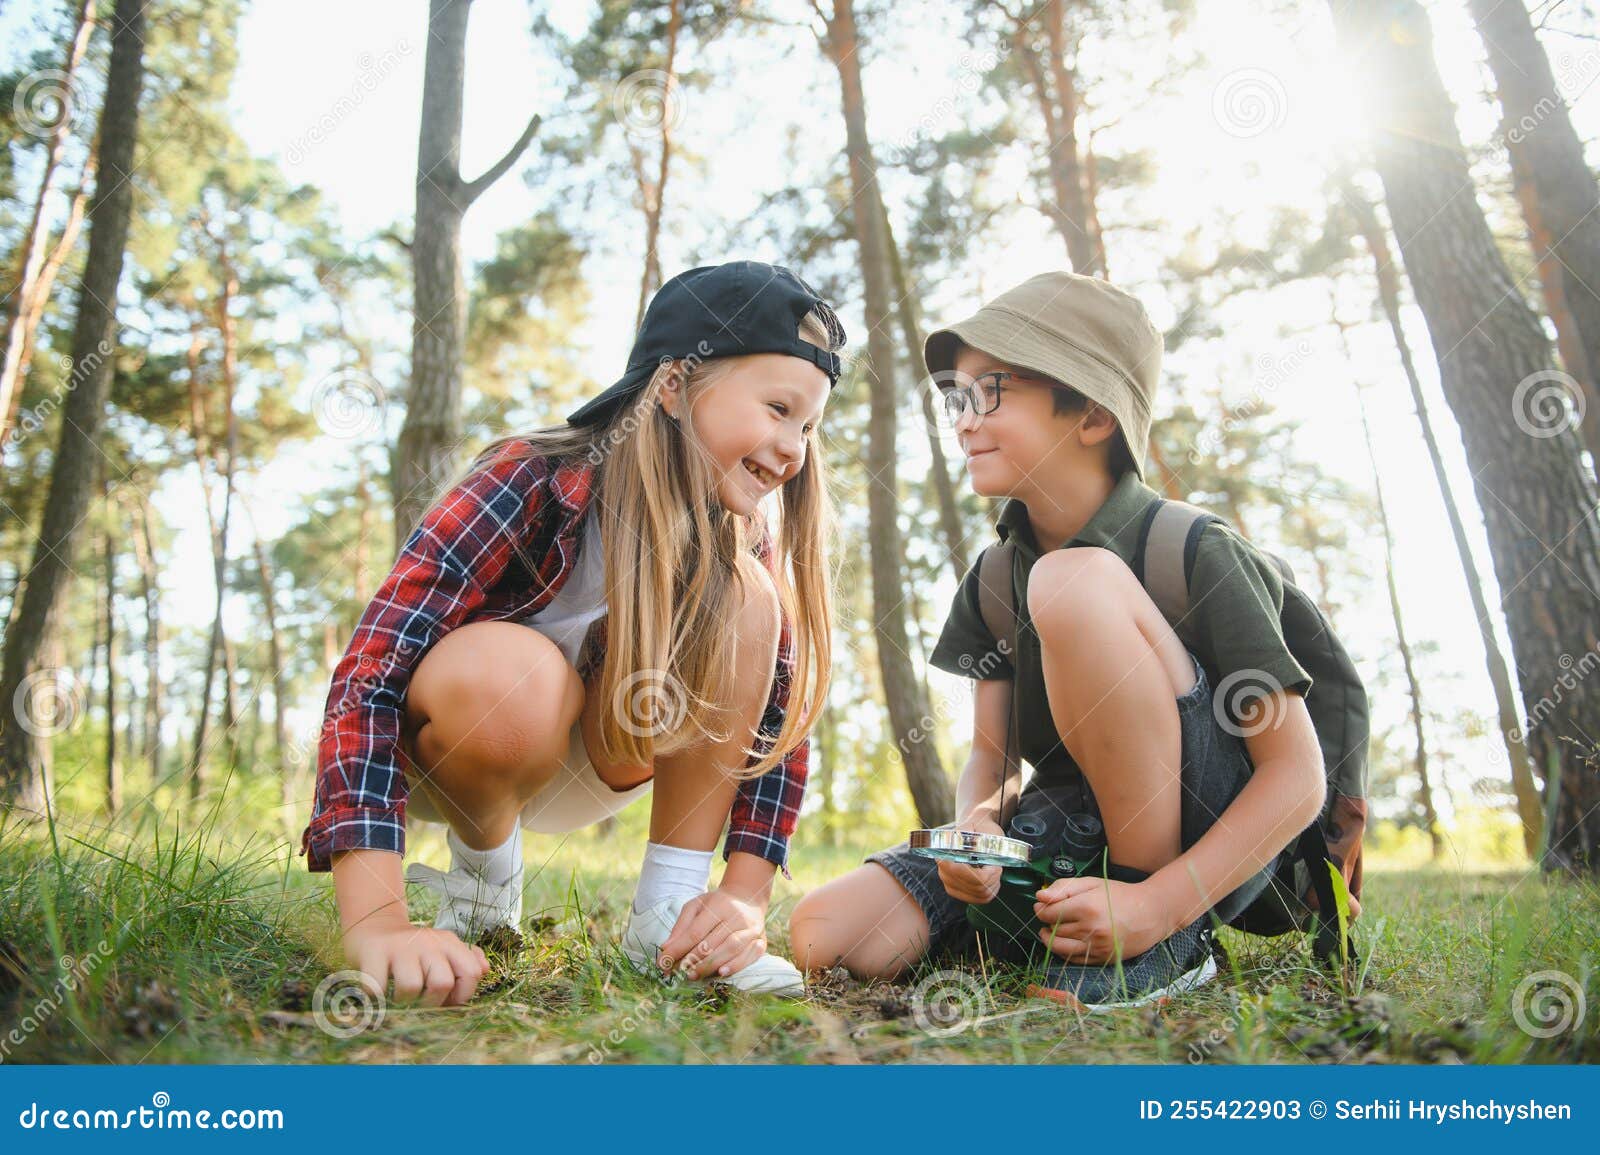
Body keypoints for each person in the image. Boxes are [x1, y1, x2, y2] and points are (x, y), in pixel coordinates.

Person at [301, 261, 846, 1007]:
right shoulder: (529, 477)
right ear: (674, 386)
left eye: (809, 425)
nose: (794, 447)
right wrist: (376, 921)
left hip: (609, 756)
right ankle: (485, 882)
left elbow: (774, 724)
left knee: (744, 594)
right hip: (469, 748)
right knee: (512, 671)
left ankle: (667, 915)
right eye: (779, 407)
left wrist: (743, 895)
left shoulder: (741, 542)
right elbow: (370, 671)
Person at [789, 271, 1330, 1012]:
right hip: (1060, 824)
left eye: (993, 393)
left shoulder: (1195, 550)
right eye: (958, 397)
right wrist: (976, 823)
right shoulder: (994, 580)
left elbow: (1298, 777)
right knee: (825, 933)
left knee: (1071, 582)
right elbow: (992, 755)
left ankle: (1158, 940)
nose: (964, 419)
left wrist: (1159, 905)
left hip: (1191, 837)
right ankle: (1041, 922)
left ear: (1092, 415)